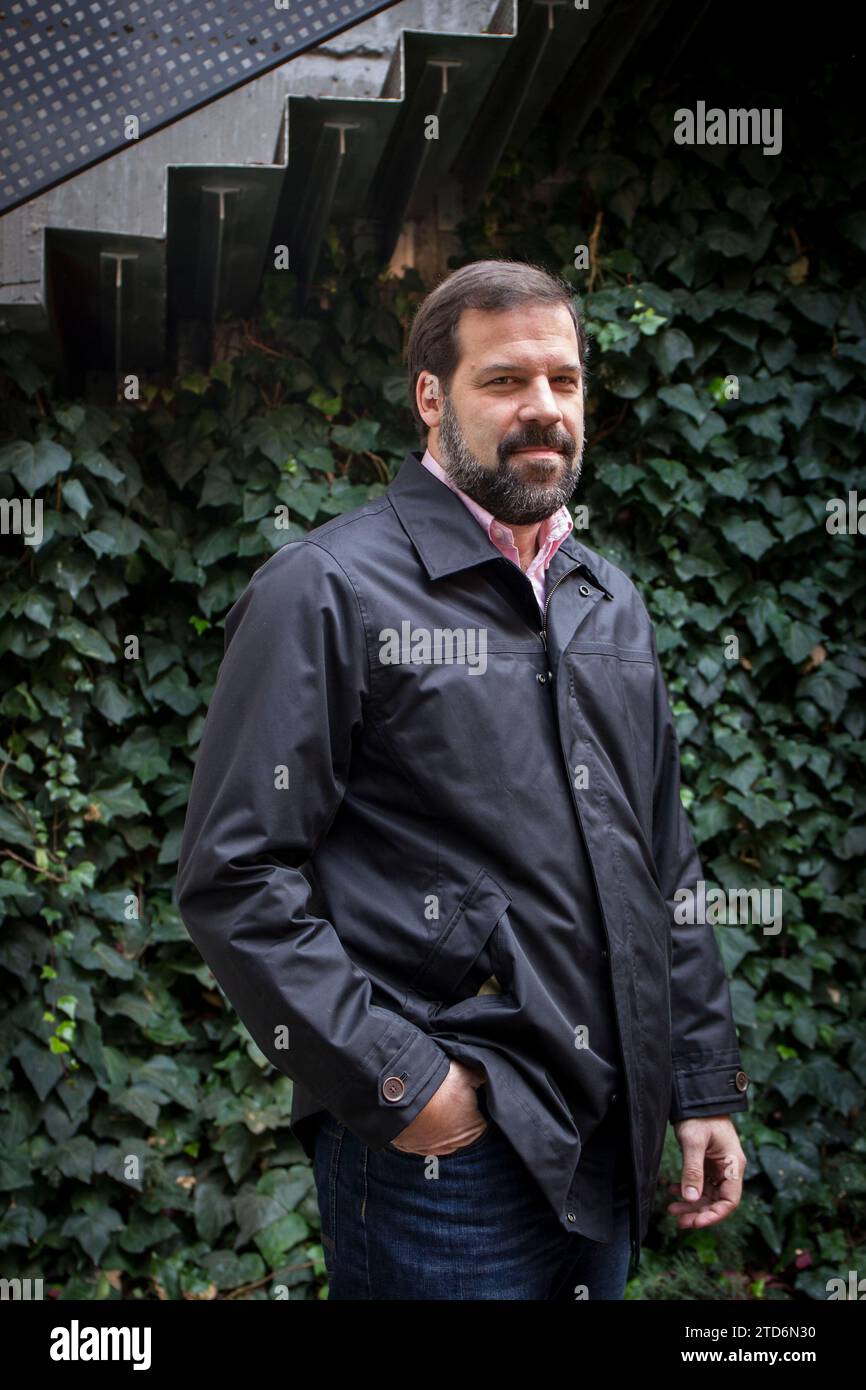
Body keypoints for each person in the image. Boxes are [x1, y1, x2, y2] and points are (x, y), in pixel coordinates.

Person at [176, 258, 750, 1301]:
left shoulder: (605, 600)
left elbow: (663, 855)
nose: (542, 410)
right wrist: (408, 1085)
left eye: (564, 381)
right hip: (446, 1155)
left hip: (605, 1126)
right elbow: (235, 873)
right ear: (431, 397)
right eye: (503, 381)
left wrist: (698, 1084)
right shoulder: (328, 587)